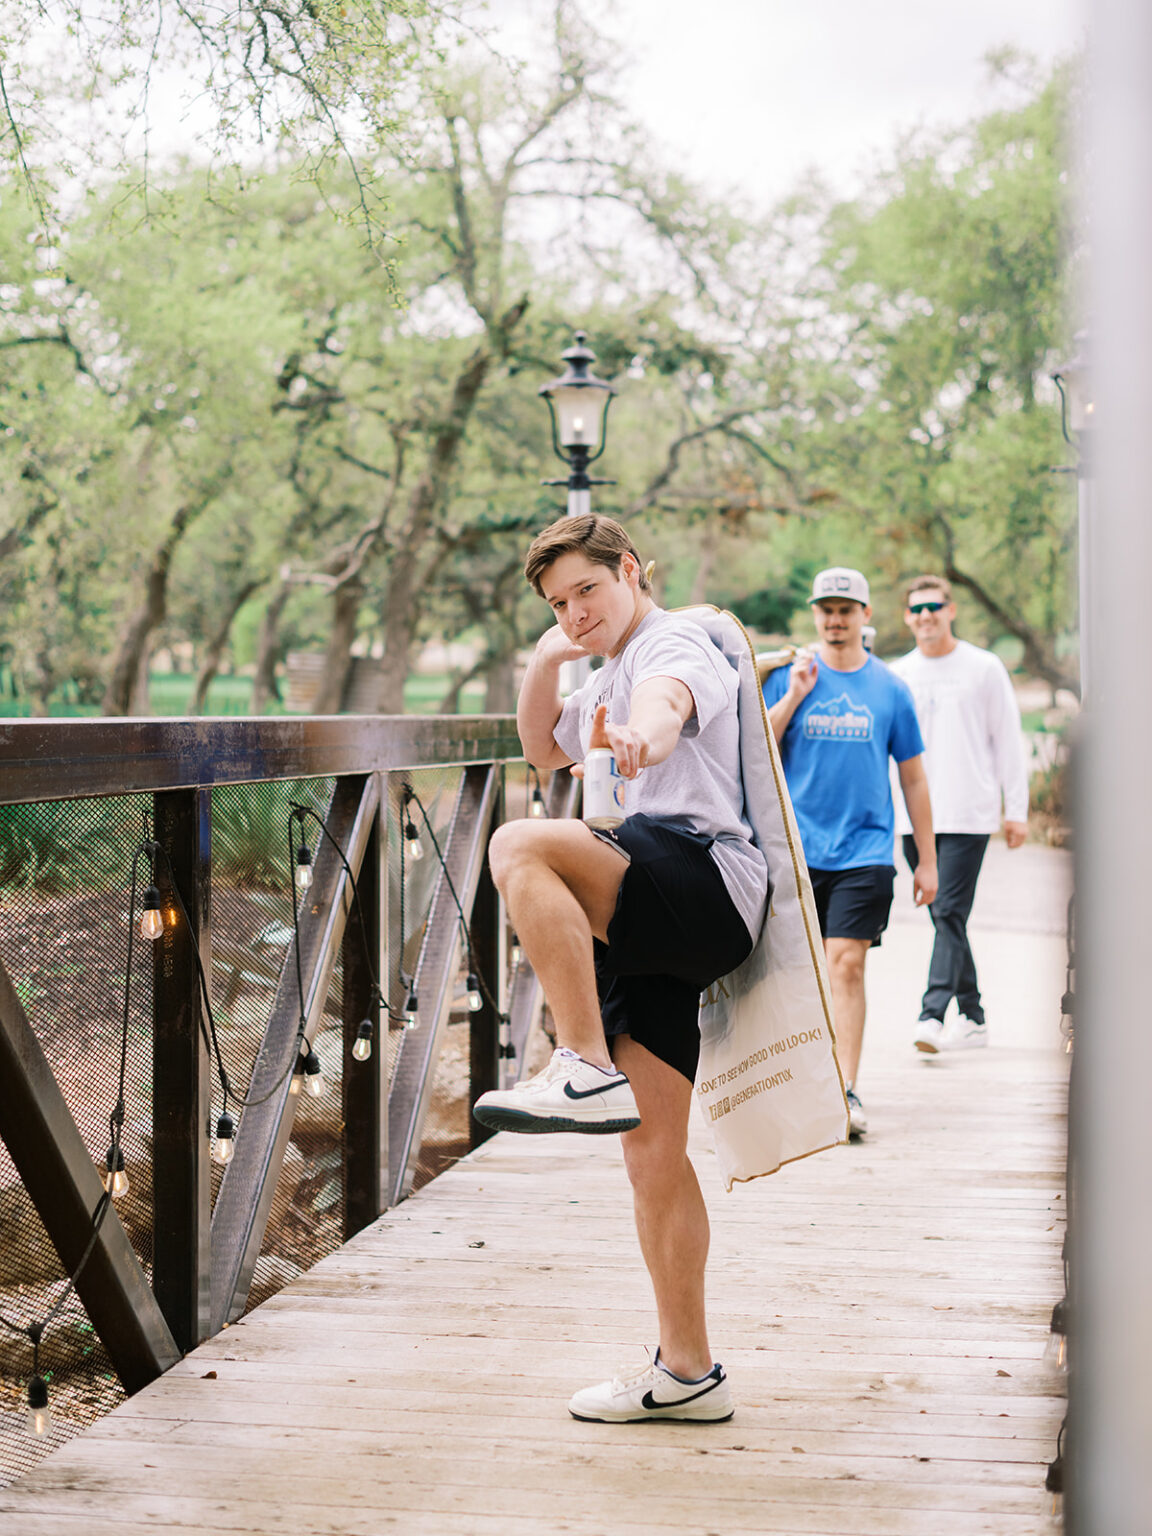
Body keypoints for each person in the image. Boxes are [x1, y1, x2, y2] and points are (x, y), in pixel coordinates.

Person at [471, 513, 767, 1425]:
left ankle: (583, 1063)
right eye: (560, 602)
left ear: (631, 570)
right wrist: (543, 660)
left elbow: (667, 707)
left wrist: (644, 735)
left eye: (588, 590)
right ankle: (688, 1374)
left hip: (699, 878)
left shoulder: (673, 639)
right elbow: (541, 749)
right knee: (653, 1157)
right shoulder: (598, 666)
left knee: (520, 845)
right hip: (649, 904)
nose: (577, 610)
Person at [762, 567, 938, 1138]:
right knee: (792, 974)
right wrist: (794, 694)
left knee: (847, 964)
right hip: (795, 849)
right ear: (815, 615)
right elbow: (757, 747)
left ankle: (843, 1089)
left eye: (846, 610)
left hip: (865, 851)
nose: (836, 621)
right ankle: (795, 1086)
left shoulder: (889, 688)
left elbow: (913, 778)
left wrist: (927, 860)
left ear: (865, 617)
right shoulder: (792, 674)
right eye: (826, 610)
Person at [890, 574, 1029, 1052]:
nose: (926, 616)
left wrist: (1017, 810)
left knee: (948, 910)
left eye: (934, 607)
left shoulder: (984, 668)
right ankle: (973, 1016)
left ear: (950, 610)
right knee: (946, 916)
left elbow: (1008, 741)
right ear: (908, 617)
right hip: (914, 817)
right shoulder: (898, 674)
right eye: (917, 609)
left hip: (970, 811)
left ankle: (932, 1014)